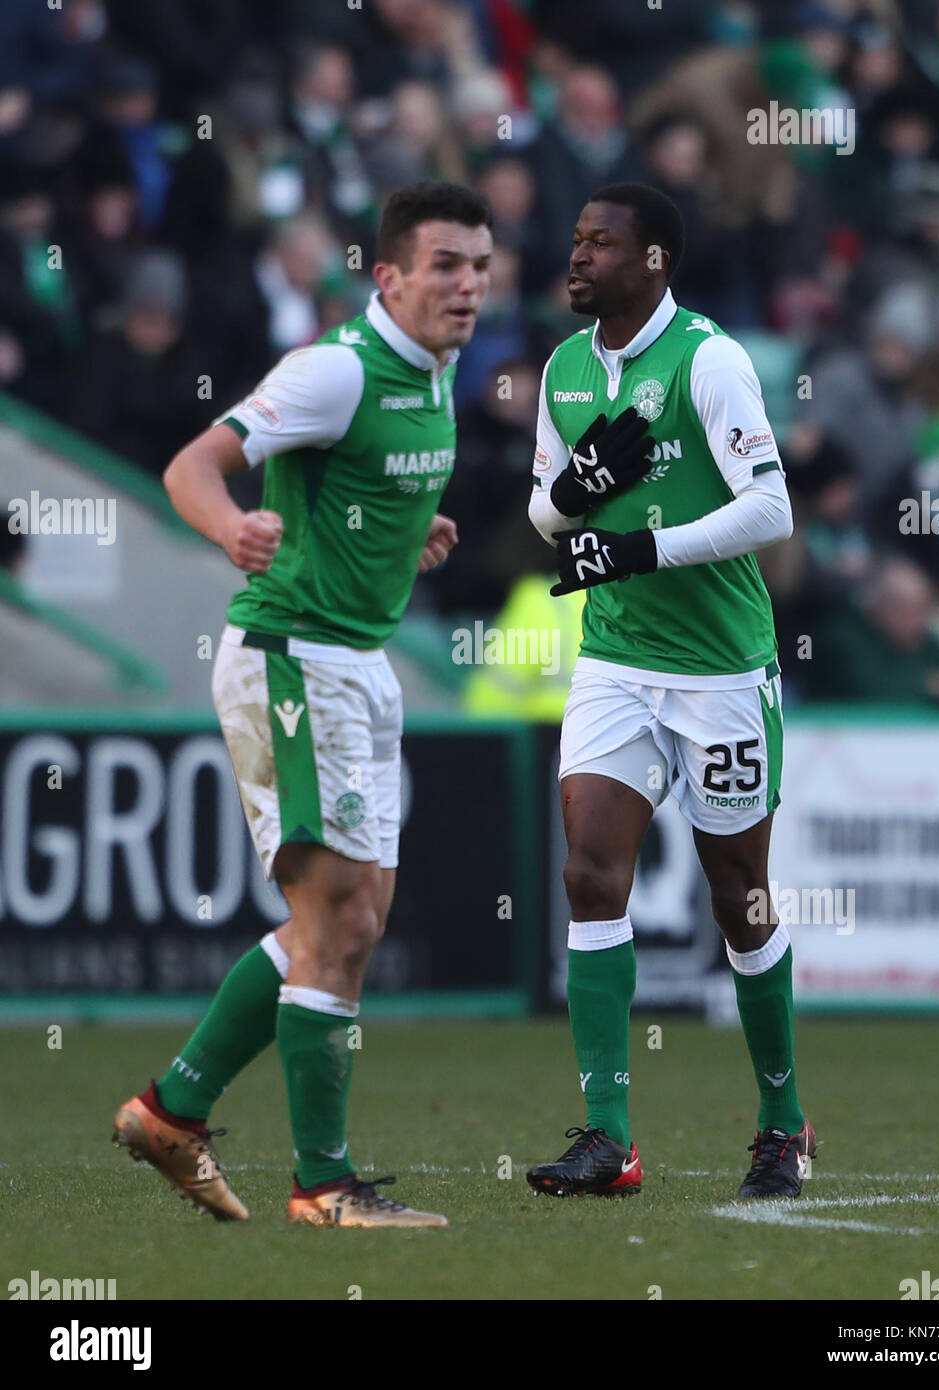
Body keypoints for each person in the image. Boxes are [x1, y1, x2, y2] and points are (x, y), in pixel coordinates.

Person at [111, 181, 493, 1230]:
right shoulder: (334, 369)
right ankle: (323, 1185)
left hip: (357, 659)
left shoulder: (435, 367)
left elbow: (355, 486)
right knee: (341, 916)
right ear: (389, 276)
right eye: (446, 264)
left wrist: (402, 534)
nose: (467, 285)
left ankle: (171, 1109)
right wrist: (230, 526)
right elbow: (192, 465)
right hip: (291, 656)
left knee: (346, 920)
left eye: (480, 265)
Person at [525, 183, 812, 1201]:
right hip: (614, 661)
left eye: (600, 243)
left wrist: (640, 543)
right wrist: (574, 495)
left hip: (723, 669)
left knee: (738, 901)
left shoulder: (710, 359)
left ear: (652, 261)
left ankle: (782, 1123)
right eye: (574, 238)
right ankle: (610, 1137)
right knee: (590, 876)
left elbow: (769, 506)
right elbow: (543, 513)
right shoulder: (563, 369)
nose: (578, 256)